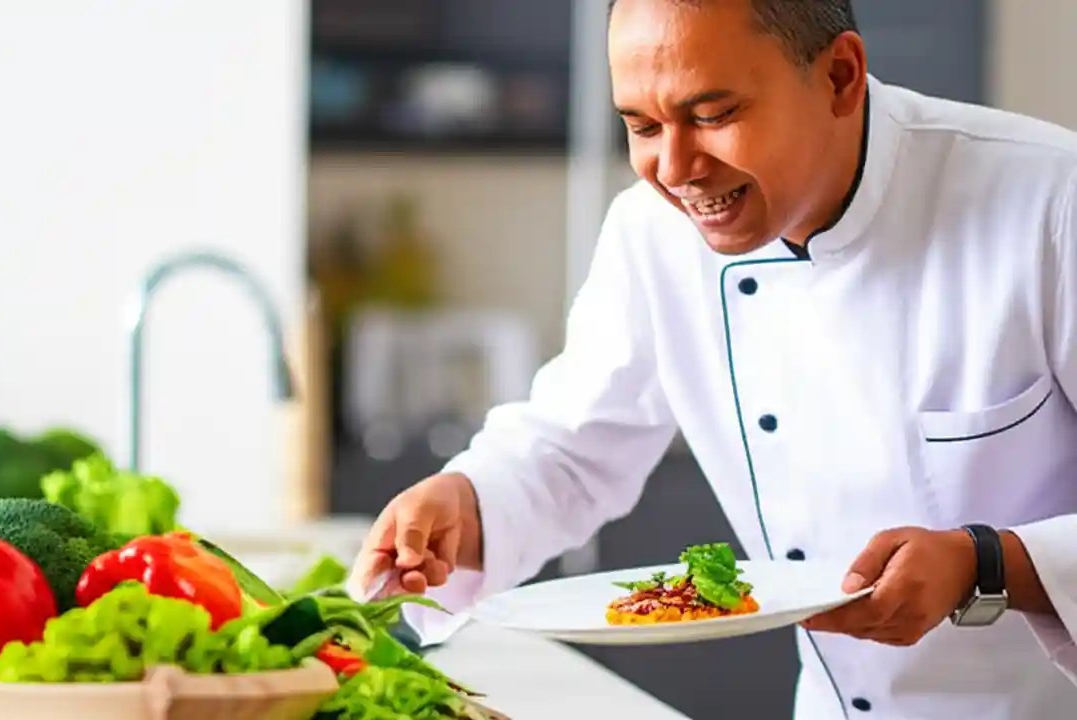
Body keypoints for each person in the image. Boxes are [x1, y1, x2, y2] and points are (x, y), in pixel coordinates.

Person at [348, 0, 1077, 717]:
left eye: (712, 115)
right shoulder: (652, 231)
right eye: (640, 126)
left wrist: (990, 563)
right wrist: (464, 503)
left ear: (840, 77)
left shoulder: (1050, 199)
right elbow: (571, 447)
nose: (675, 168)